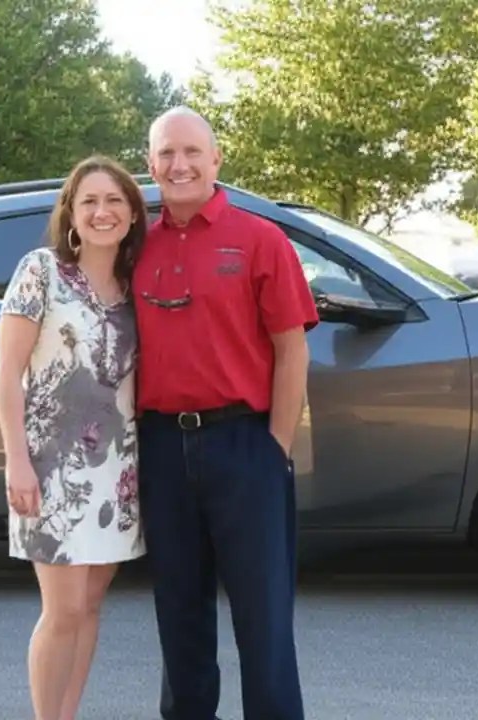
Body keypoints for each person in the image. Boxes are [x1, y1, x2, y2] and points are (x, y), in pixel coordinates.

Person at [133, 106, 319, 720]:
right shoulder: (135, 246)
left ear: (216, 160)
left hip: (244, 444)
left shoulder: (262, 240)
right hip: (160, 446)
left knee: (262, 617)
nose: (179, 165)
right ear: (151, 163)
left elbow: (293, 349)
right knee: (179, 613)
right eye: (166, 154)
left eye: (192, 152)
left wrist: (275, 448)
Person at [0, 155, 148, 720]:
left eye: (114, 201)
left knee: (89, 606)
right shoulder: (41, 271)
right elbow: (7, 370)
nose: (102, 212)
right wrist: (17, 460)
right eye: (89, 202)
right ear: (71, 214)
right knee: (61, 611)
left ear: (132, 214)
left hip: (117, 467)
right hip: (51, 464)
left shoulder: (137, 286)